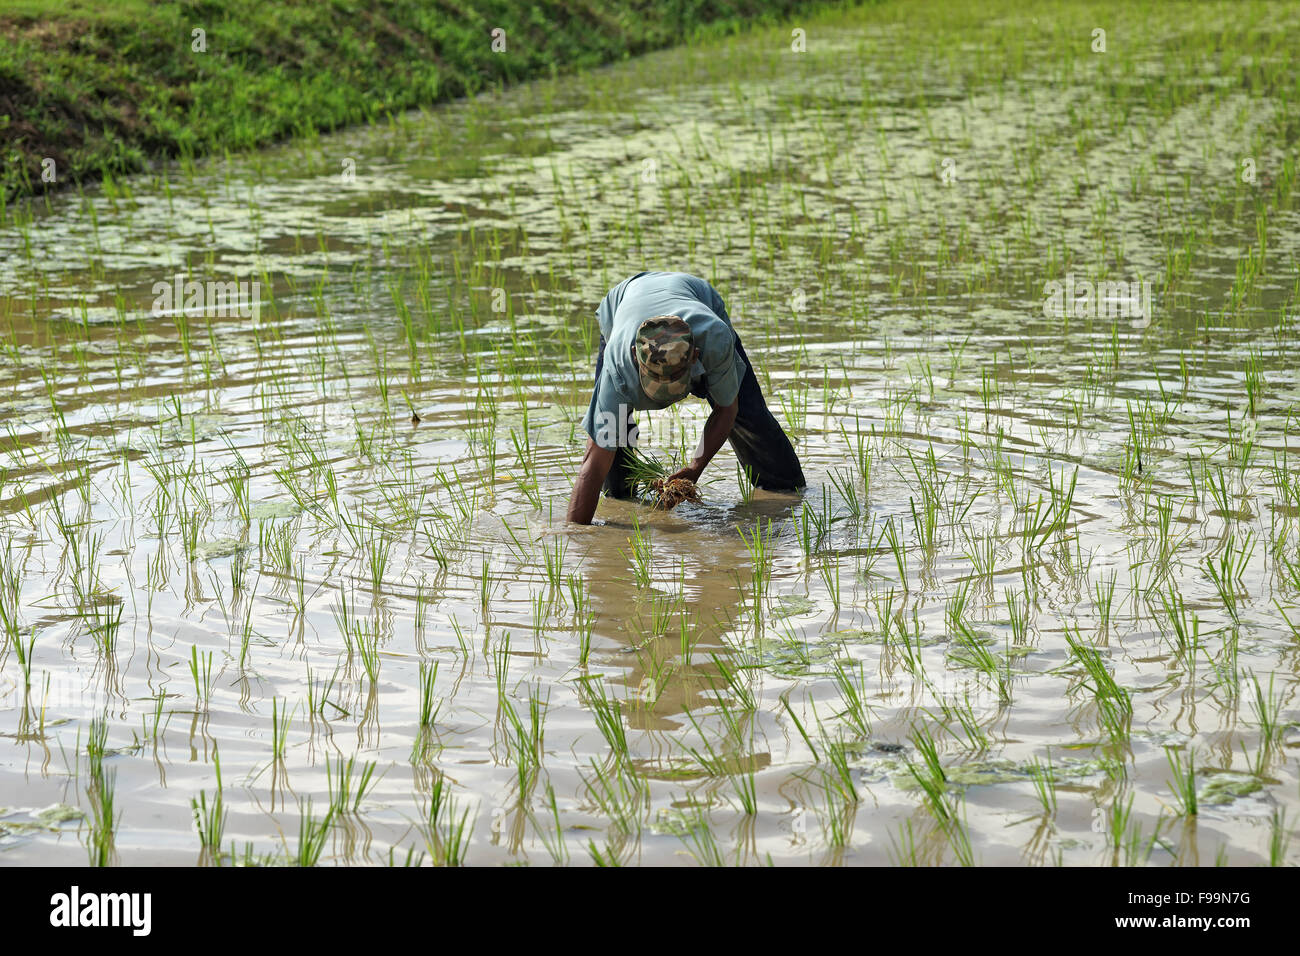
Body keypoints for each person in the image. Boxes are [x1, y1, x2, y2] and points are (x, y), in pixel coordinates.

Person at [565, 271, 805, 524]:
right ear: (635, 356)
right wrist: (574, 534)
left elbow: (727, 410)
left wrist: (695, 467)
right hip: (623, 304)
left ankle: (786, 491)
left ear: (695, 356)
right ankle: (621, 499)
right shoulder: (619, 367)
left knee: (748, 412)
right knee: (613, 432)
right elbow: (593, 461)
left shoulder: (716, 339)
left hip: (696, 297)